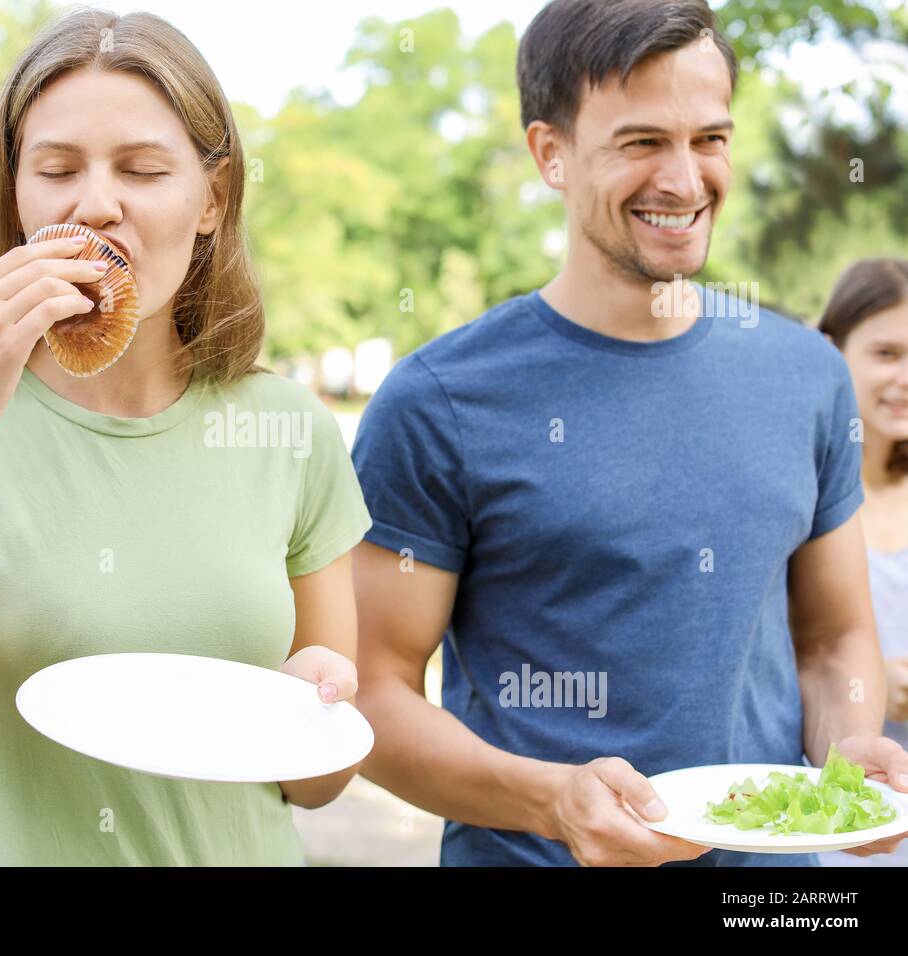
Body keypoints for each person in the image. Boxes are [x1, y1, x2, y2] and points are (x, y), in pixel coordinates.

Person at [349, 0, 908, 866]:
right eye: (642, 143)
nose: (685, 181)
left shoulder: (806, 375)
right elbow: (373, 697)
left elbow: (835, 640)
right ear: (551, 153)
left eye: (709, 139)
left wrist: (847, 742)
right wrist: (552, 803)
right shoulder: (438, 402)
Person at [0, 8, 371, 865]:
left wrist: (314, 696)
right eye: (56, 169)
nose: (95, 205)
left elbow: (318, 781)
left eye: (143, 170)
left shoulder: (290, 429)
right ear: (15, 197)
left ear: (212, 200)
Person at [817, 259, 908, 867]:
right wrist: (871, 679)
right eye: (886, 353)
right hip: (832, 826)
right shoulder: (802, 501)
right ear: (829, 352)